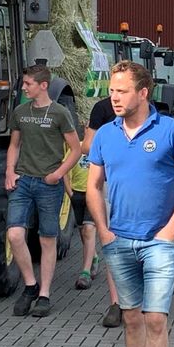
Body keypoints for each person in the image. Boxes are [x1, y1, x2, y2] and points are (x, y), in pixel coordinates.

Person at [86, 60, 174, 347]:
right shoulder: (104, 136)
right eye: (112, 91)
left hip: (159, 242)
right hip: (119, 241)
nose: (114, 97)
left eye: (122, 91)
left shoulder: (170, 131)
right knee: (132, 318)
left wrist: (171, 229)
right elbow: (93, 187)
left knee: (155, 318)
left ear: (143, 92)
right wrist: (103, 230)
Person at [5, 65, 82, 318]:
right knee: (15, 234)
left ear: (43, 85)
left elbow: (75, 149)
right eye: (24, 83)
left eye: (28, 84)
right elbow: (14, 145)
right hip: (24, 181)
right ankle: (30, 285)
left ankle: (44, 294)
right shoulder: (20, 112)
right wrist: (9, 171)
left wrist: (59, 174)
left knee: (47, 239)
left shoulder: (59, 113)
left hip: (49, 184)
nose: (24, 87)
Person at [67, 123, 122, 328]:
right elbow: (67, 168)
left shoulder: (106, 147)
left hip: (100, 193)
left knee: (91, 231)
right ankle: (94, 259)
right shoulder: (82, 147)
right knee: (84, 232)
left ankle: (84, 271)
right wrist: (71, 193)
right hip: (81, 194)